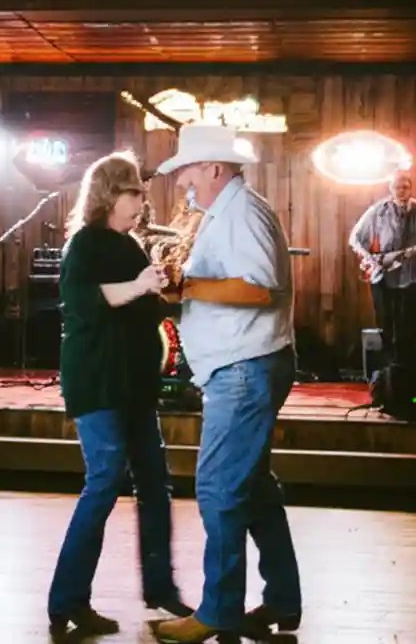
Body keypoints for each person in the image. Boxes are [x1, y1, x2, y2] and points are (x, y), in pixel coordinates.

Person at [150, 124, 302, 643]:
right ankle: (282, 599)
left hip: (243, 367)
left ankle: (218, 612)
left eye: (188, 172)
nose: (183, 183)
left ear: (214, 168)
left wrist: (187, 285)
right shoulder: (234, 211)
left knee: (218, 489)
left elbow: (259, 290)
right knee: (253, 489)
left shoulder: (241, 212)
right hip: (246, 364)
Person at [47, 152, 194, 637]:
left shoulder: (131, 246)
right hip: (98, 382)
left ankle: (160, 589)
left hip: (133, 384)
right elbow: (87, 303)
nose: (142, 203)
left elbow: (145, 309)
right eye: (136, 193)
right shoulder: (83, 246)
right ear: (110, 194)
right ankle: (67, 598)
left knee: (155, 483)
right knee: (105, 479)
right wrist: (138, 286)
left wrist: (166, 289)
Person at [348, 168, 416, 367]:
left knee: (409, 325)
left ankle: (406, 368)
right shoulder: (377, 211)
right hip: (383, 276)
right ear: (390, 189)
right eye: (397, 187)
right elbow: (355, 239)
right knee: (386, 322)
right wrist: (369, 259)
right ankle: (389, 369)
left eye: (405, 187)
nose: (401, 191)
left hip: (410, 276)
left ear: (411, 189)